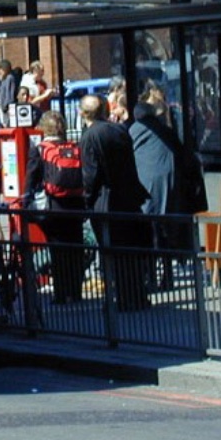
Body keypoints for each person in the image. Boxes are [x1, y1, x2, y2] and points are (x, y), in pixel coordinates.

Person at [78, 94, 154, 311]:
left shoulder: (89, 136)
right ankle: (137, 296)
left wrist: (87, 200)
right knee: (130, 251)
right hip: (128, 198)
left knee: (111, 252)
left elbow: (90, 175)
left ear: (82, 113)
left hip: (106, 201)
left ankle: (121, 298)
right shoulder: (120, 130)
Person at [129, 97, 193, 292]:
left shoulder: (133, 131)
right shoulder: (166, 132)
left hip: (145, 194)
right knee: (164, 233)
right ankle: (167, 274)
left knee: (149, 234)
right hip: (171, 193)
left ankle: (150, 275)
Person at [27, 110, 89, 304]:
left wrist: (25, 199)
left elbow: (31, 177)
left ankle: (62, 293)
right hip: (76, 206)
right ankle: (76, 291)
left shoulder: (40, 149)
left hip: (53, 207)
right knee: (75, 248)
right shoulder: (74, 147)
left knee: (57, 249)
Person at [0, 59, 17, 127]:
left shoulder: (10, 78)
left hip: (5, 106)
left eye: (1, 70)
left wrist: (6, 105)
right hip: (1, 105)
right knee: (3, 122)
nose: (0, 72)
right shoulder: (4, 79)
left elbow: (9, 93)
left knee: (5, 123)